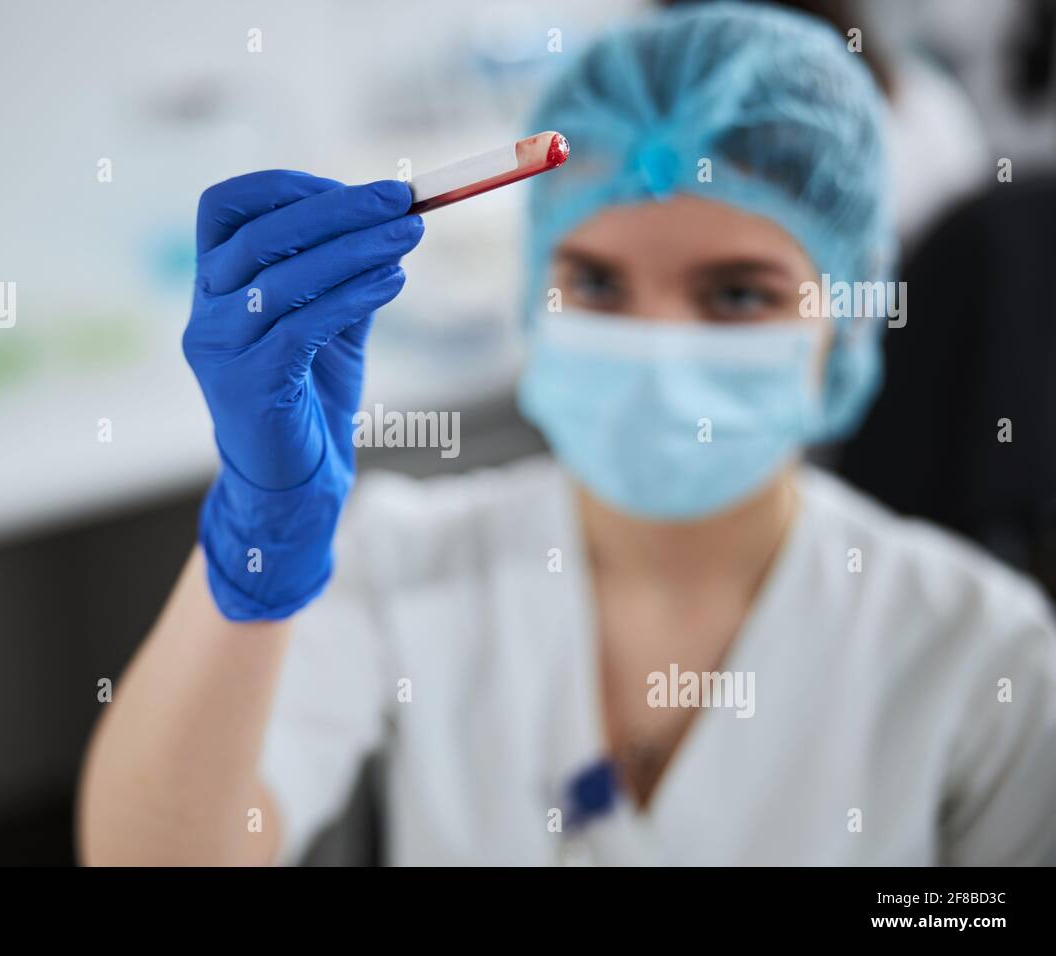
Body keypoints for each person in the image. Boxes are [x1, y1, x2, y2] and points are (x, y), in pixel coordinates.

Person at [78, 3, 1056, 866]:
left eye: (735, 293)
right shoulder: (399, 559)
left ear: (841, 321)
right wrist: (257, 537)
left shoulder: (982, 653)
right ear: (533, 292)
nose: (657, 345)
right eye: (594, 281)